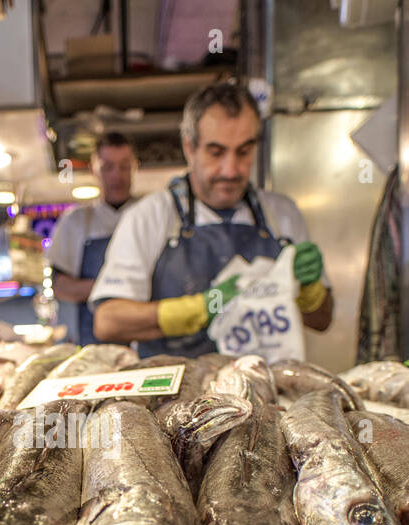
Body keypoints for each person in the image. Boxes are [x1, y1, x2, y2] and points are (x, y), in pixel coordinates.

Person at [90, 80, 332, 359]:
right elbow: (108, 321)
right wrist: (201, 308)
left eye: (243, 152)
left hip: (267, 390)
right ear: (189, 147)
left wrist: (311, 292)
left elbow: (322, 320)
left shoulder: (282, 215)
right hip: (175, 395)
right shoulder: (150, 215)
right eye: (216, 152)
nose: (230, 170)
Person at [47, 131, 139, 345]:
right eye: (108, 167)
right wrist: (115, 287)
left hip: (145, 342)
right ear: (93, 169)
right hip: (92, 344)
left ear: (136, 166)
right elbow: (59, 287)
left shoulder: (151, 216)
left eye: (124, 166)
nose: (117, 175)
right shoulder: (75, 221)